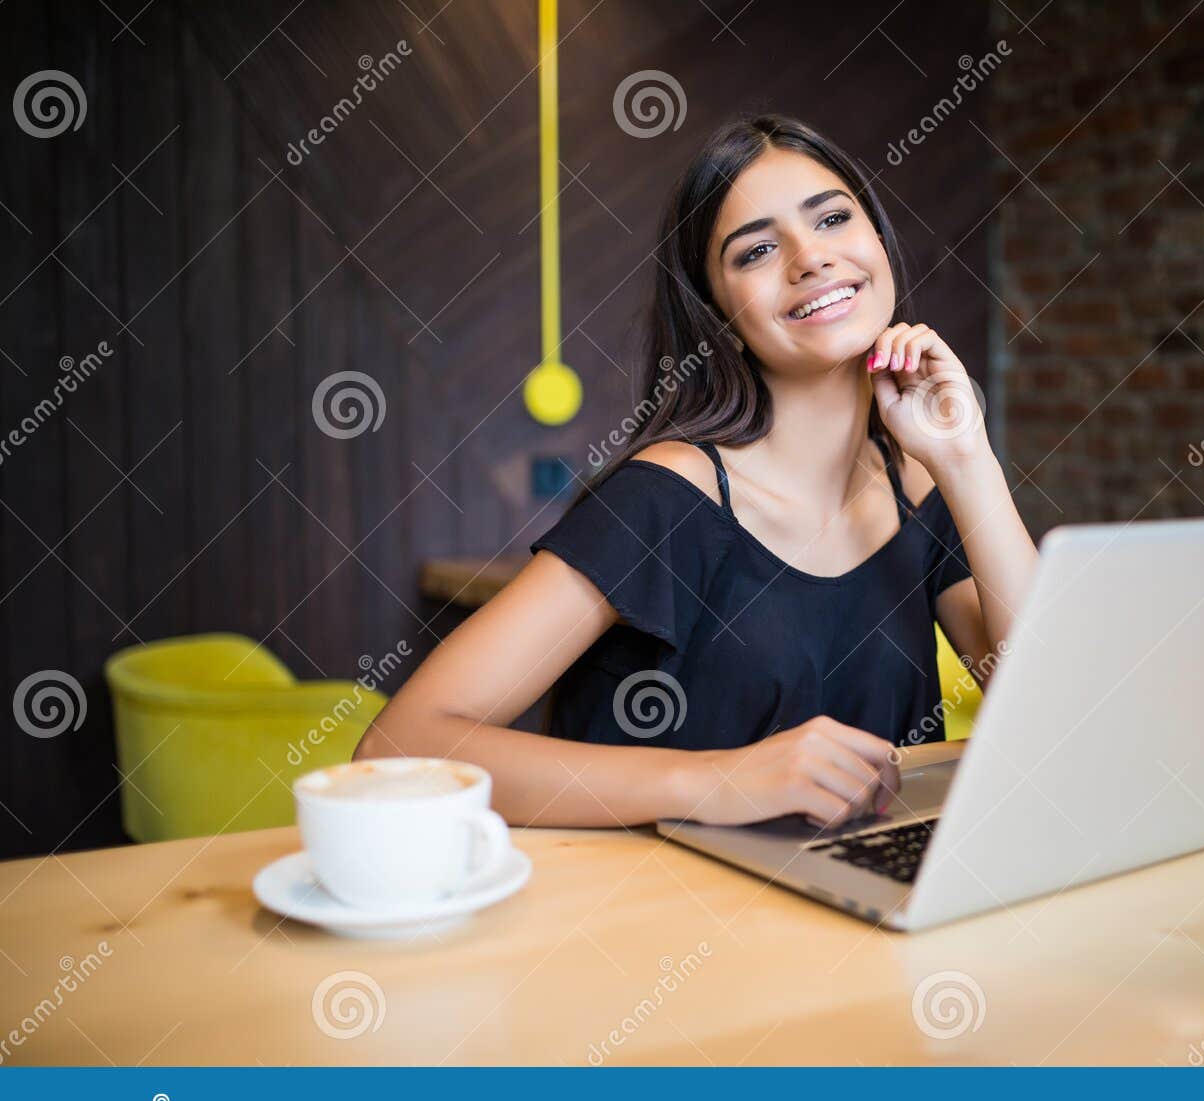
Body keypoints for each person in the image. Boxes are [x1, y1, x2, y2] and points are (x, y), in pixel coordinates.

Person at [355, 115, 1038, 830]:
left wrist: (966, 460)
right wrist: (721, 779)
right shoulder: (667, 497)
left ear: (878, 242)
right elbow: (401, 745)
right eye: (758, 251)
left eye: (834, 218)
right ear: (719, 310)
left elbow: (1047, 722)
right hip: (667, 920)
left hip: (866, 907)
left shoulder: (917, 487)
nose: (811, 258)